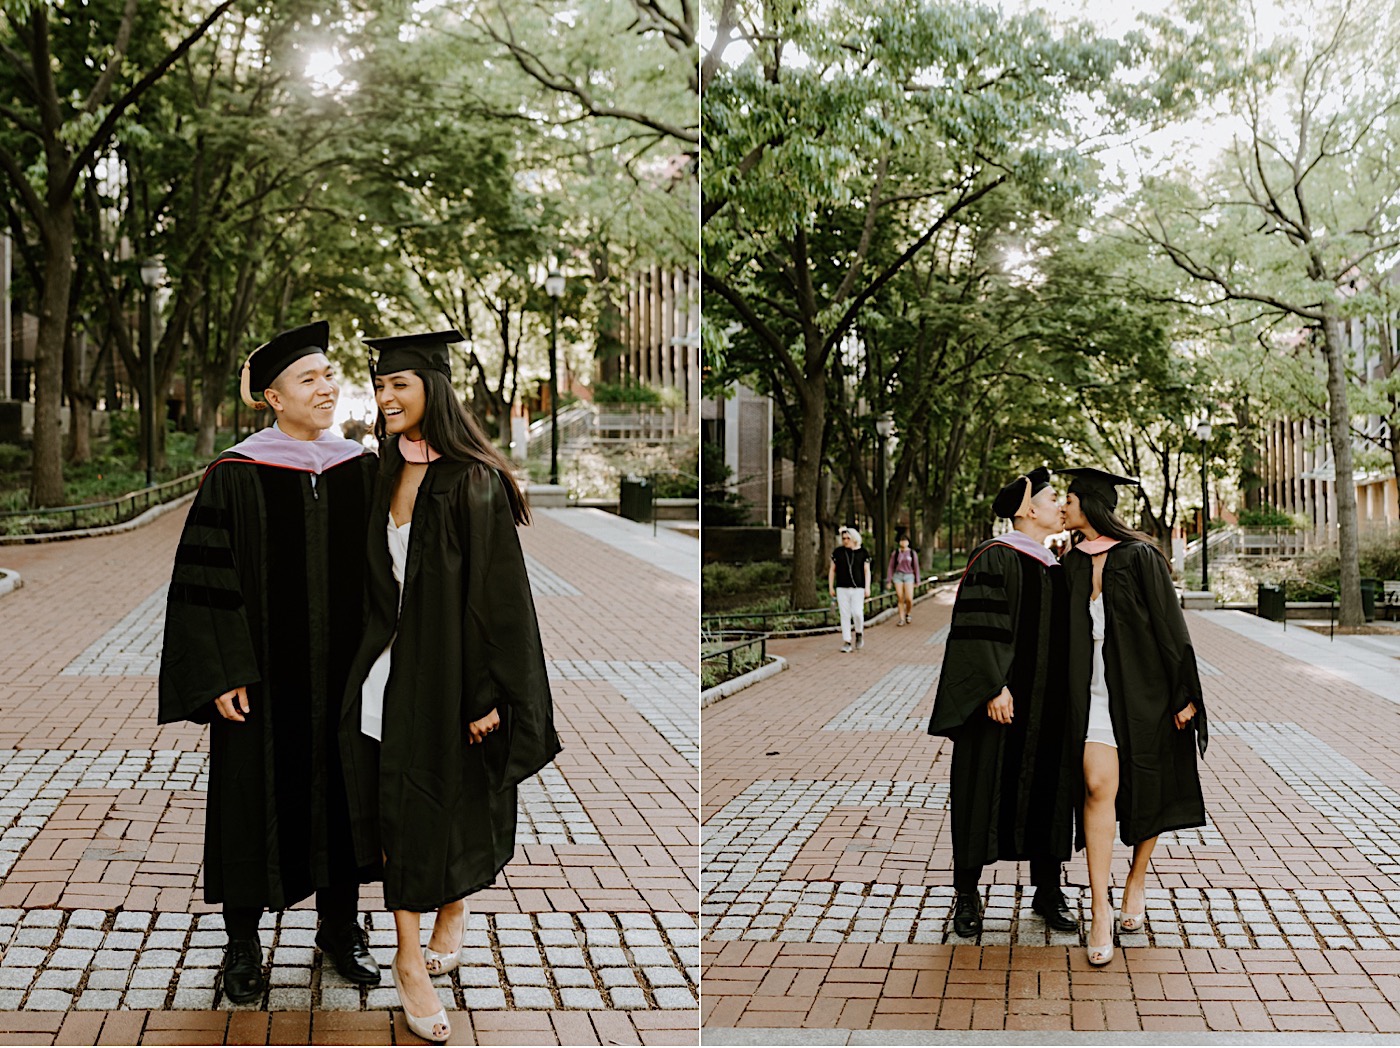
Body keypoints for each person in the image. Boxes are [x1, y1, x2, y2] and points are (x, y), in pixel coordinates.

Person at [339, 330, 561, 1043]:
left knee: (449, 801)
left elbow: (500, 599)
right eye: (380, 385)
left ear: (432, 387)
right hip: (386, 670)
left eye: (399, 384)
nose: (386, 396)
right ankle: (409, 961)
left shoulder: (473, 481)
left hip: (450, 674)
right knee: (398, 807)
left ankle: (454, 906)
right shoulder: (381, 470)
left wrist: (487, 693)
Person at [158, 321, 381, 1003]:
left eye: (329, 375)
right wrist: (223, 670)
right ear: (274, 399)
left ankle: (339, 929)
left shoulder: (361, 469)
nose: (326, 386)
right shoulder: (235, 475)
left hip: (346, 676)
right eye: (309, 379)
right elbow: (203, 581)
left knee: (345, 792)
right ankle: (242, 942)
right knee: (249, 796)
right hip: (260, 682)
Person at [1060, 467, 1207, 966]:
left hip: (1144, 689)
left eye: (1070, 499)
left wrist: (1184, 694)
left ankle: (1136, 879)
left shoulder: (1140, 556)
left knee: (1150, 781)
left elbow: (1170, 625)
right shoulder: (1071, 563)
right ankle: (1099, 907)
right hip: (1092, 692)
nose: (1064, 506)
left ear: (1089, 504)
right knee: (1097, 784)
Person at [927, 467, 1079, 938]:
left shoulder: (1055, 564)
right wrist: (993, 686)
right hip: (1001, 705)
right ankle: (967, 894)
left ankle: (1047, 890)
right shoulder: (995, 557)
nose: (1060, 505)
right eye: (1052, 498)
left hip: (1049, 706)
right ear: (1028, 509)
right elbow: (976, 628)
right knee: (981, 791)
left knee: (1049, 791)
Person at [829, 527, 872, 652]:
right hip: (842, 587)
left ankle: (859, 632)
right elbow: (832, 570)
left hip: (858, 588)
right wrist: (831, 586)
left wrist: (867, 587)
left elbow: (866, 571)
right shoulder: (838, 552)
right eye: (843, 539)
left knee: (857, 613)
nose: (846, 541)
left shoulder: (863, 553)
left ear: (854, 538)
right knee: (845, 614)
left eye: (848, 538)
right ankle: (847, 641)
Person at [886, 529, 921, 625]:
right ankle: (901, 618)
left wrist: (917, 580)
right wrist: (889, 580)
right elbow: (891, 567)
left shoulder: (912, 553)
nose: (903, 542)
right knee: (900, 597)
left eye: (905, 541)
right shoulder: (896, 553)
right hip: (898, 576)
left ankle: (908, 613)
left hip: (909, 576)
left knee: (909, 598)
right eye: (901, 541)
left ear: (908, 542)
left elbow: (916, 567)